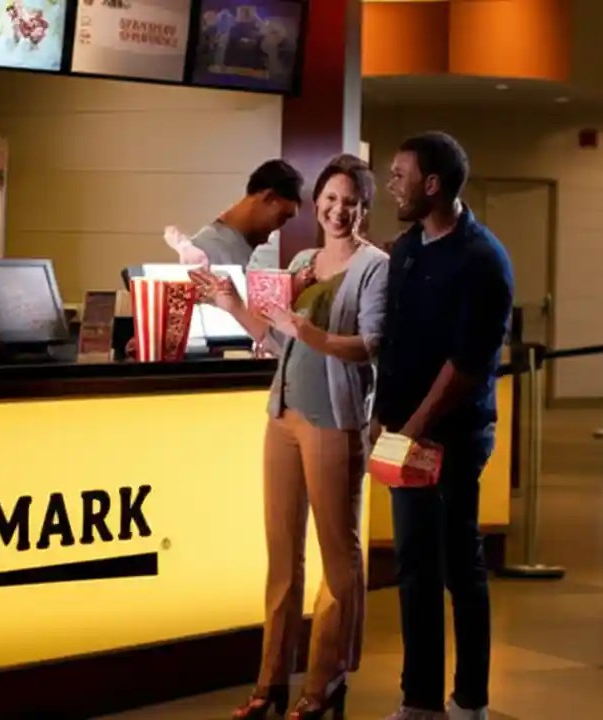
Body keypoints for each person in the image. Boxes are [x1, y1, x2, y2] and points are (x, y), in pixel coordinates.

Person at [191, 154, 388, 720]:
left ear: (364, 208)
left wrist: (311, 331)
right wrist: (233, 306)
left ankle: (323, 683)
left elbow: (371, 346)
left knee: (339, 558)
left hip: (335, 419)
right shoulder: (301, 260)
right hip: (284, 414)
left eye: (350, 201)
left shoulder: (376, 267)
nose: (337, 210)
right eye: (330, 199)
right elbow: (282, 344)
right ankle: (269, 683)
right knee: (282, 557)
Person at [374, 133, 514, 720]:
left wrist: (414, 430)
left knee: (460, 562)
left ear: (432, 185)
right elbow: (397, 345)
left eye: (400, 174)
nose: (391, 184)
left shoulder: (482, 260)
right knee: (414, 564)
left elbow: (465, 366)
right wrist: (384, 425)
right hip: (405, 432)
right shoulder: (408, 250)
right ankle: (421, 701)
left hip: (452, 437)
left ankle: (470, 700)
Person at [165, 159, 304, 270]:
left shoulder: (238, 245)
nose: (279, 227)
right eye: (283, 217)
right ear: (267, 197)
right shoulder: (211, 248)